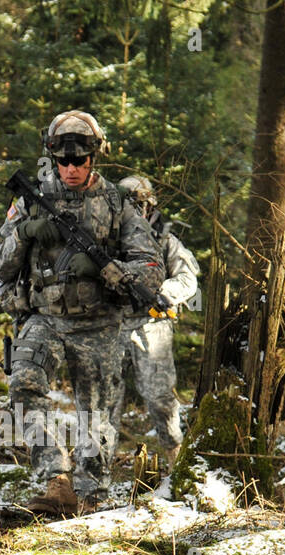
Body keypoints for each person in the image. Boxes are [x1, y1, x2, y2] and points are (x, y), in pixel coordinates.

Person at [0, 110, 164, 516]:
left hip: (99, 323)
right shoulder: (30, 202)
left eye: (79, 160)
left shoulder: (117, 203)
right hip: (44, 317)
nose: (70, 168)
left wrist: (108, 271)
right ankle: (56, 478)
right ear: (52, 156)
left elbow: (152, 269)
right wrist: (23, 233)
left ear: (94, 157)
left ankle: (90, 496)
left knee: (98, 412)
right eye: (63, 160)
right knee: (24, 385)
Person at [112, 175, 199, 463]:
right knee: (105, 400)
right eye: (129, 206)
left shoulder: (164, 240)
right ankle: (97, 470)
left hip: (153, 325)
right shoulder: (106, 241)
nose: (136, 212)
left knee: (161, 399)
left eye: (141, 205)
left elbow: (188, 278)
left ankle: (176, 461)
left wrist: (163, 292)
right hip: (113, 326)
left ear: (150, 206)